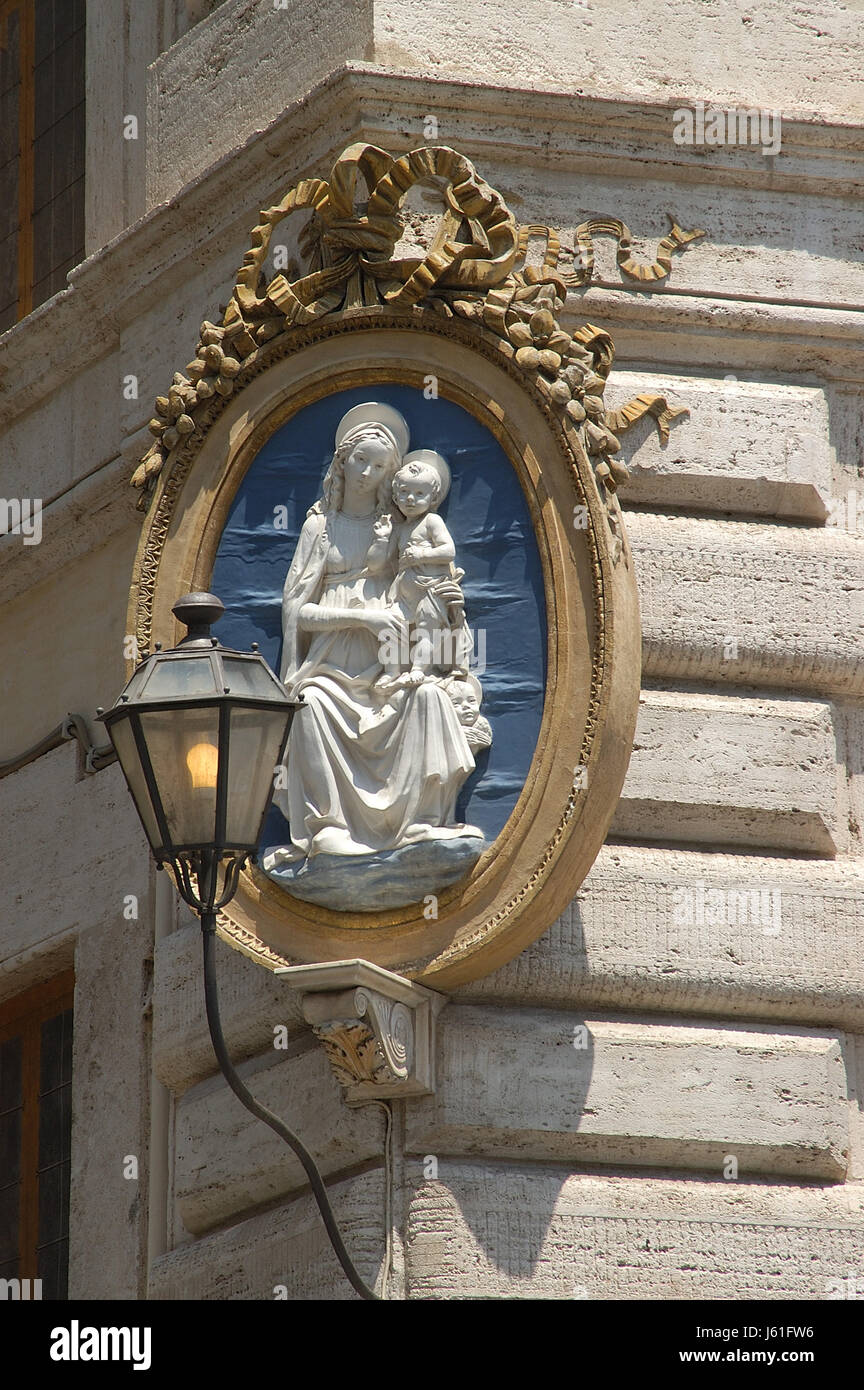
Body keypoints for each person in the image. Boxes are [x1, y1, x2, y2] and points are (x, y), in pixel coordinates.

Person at [262, 403, 481, 870]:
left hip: (390, 657)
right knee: (311, 706)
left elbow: (424, 588)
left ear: (392, 474)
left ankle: (421, 820)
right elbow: (298, 610)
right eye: (361, 460)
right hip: (330, 661)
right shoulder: (320, 527)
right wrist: (362, 620)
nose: (367, 473)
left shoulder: (399, 529)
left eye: (380, 466)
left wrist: (441, 606)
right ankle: (329, 828)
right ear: (342, 461)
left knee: (428, 701)